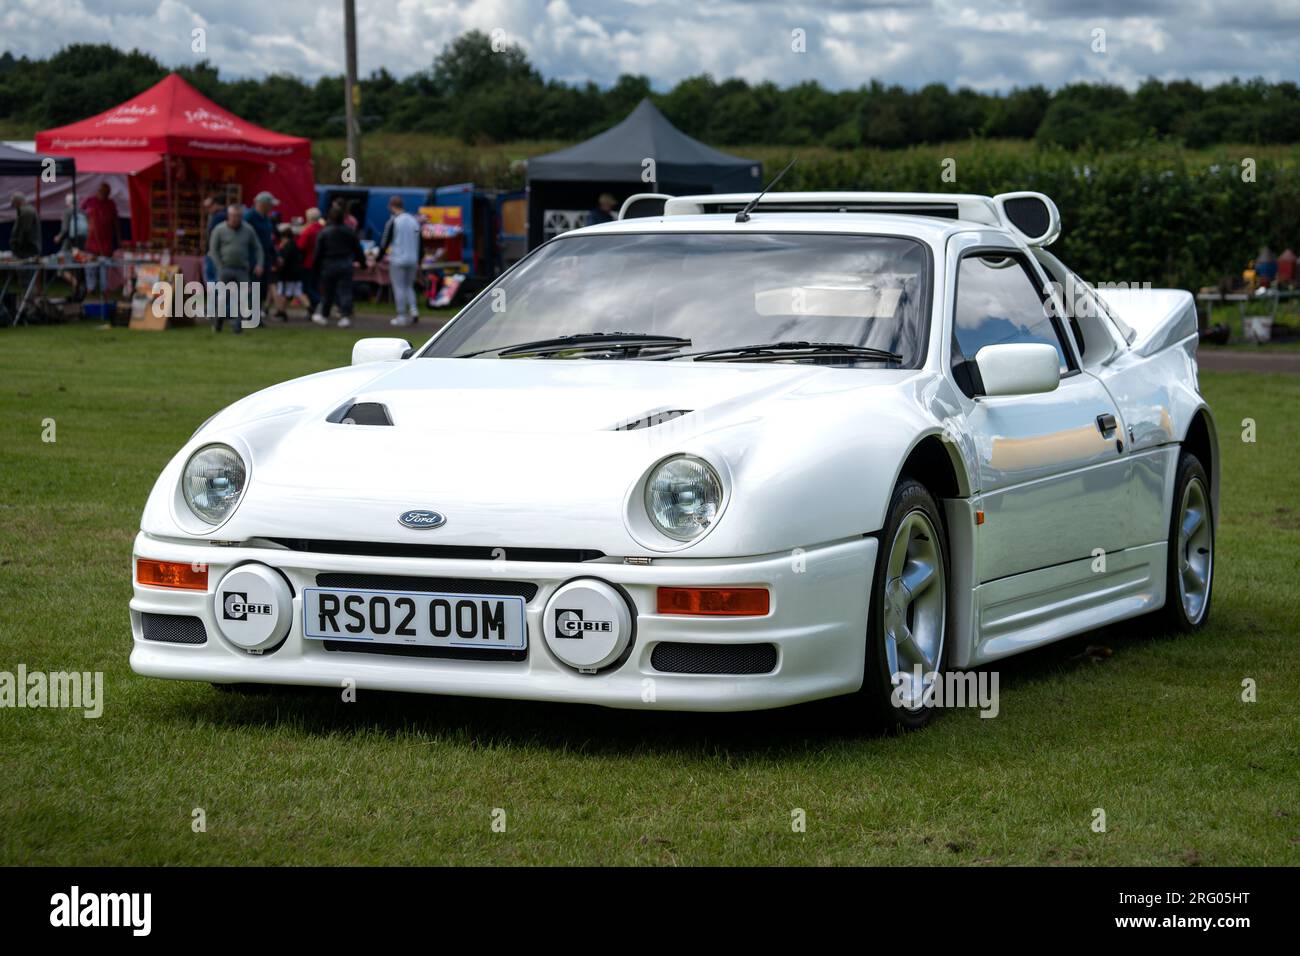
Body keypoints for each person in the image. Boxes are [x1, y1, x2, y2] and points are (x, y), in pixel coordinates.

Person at [207, 204, 264, 334]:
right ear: (228, 216)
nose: (235, 219)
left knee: (243, 297)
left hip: (242, 269)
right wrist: (219, 266)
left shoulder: (248, 230)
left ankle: (237, 325)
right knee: (223, 297)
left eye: (238, 216)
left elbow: (257, 247)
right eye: (233, 216)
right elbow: (213, 249)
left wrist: (259, 264)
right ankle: (218, 323)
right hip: (225, 268)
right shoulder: (219, 229)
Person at [311, 205, 364, 329]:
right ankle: (345, 316)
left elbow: (318, 252)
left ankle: (324, 314)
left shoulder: (324, 232)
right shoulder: (349, 231)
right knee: (345, 290)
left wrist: (315, 267)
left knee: (328, 291)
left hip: (329, 264)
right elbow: (357, 248)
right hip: (345, 263)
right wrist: (362, 262)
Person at [378, 195, 421, 326]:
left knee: (399, 287)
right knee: (409, 286)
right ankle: (414, 310)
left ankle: (401, 315)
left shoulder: (393, 221)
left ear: (391, 206)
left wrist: (378, 258)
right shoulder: (414, 220)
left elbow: (385, 242)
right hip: (412, 258)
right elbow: (420, 241)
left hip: (398, 259)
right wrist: (420, 258)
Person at [81, 183, 120, 295]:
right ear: (98, 191)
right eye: (102, 191)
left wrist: (118, 239)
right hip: (91, 240)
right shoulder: (89, 201)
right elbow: (81, 215)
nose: (104, 194)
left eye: (106, 192)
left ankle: (105, 288)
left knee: (105, 266)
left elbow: (115, 222)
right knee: (90, 265)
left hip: (105, 240)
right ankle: (90, 288)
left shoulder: (111, 204)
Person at [244, 191, 280, 302]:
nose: (272, 207)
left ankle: (256, 315)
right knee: (254, 288)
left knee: (262, 290)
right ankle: (250, 316)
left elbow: (268, 240)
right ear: (262, 204)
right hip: (252, 259)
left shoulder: (266, 218)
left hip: (265, 259)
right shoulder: (249, 217)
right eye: (270, 204)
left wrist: (275, 256)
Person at [270, 223, 306, 321]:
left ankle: (281, 312)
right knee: (297, 292)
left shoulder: (287, 247)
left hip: (288, 274)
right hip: (295, 273)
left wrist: (277, 268)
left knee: (283, 292)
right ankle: (282, 311)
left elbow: (283, 261)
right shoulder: (294, 245)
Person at [296, 206, 323, 314]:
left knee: (306, 287)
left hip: (308, 262)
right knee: (315, 285)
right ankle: (314, 308)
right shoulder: (323, 228)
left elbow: (301, 247)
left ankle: (319, 302)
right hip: (320, 262)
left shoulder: (308, 231)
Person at [8, 192, 41, 259]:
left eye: (13, 204)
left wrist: (16, 244)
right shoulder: (26, 210)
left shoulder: (26, 211)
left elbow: (24, 231)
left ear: (17, 202)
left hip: (26, 251)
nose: (13, 206)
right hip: (27, 250)